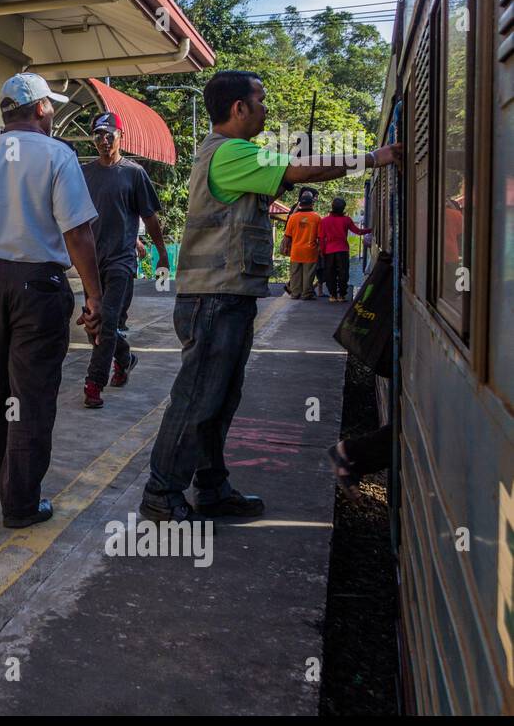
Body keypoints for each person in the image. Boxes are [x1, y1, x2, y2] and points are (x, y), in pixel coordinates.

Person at [138, 70, 402, 523]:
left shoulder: (234, 156)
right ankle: (161, 493)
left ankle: (212, 486)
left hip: (224, 298)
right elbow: (307, 168)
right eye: (260, 101)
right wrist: (377, 157)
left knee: (218, 400)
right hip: (213, 300)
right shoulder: (231, 152)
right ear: (238, 108)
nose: (266, 109)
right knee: (198, 400)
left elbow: (291, 173)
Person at [0, 73, 103, 529]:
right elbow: (77, 231)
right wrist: (95, 296)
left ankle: (6, 481)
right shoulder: (58, 155)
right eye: (51, 106)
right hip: (40, 287)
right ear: (39, 109)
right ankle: (20, 501)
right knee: (31, 394)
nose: (53, 112)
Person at [80, 111, 167, 408]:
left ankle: (94, 384)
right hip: (91, 262)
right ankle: (125, 357)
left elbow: (149, 216)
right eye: (98, 136)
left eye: (109, 135)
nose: (104, 141)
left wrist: (162, 253)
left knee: (105, 321)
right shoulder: (86, 174)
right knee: (98, 322)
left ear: (121, 137)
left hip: (121, 261)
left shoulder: (133, 173)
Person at [319, 196, 371, 302]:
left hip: (329, 251)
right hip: (342, 250)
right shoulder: (346, 220)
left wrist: (322, 250)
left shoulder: (324, 221)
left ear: (332, 207)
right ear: (343, 208)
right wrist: (371, 229)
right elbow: (358, 232)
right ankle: (342, 295)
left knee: (330, 273)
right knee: (343, 273)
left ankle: (333, 295)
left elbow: (321, 238)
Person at [282, 190, 321, 299]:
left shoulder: (293, 218)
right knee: (308, 275)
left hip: (296, 251)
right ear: (311, 204)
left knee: (295, 274)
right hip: (310, 251)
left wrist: (285, 248)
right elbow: (320, 237)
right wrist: (320, 249)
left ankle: (295, 294)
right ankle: (306, 294)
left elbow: (287, 236)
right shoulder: (317, 217)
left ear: (300, 204)